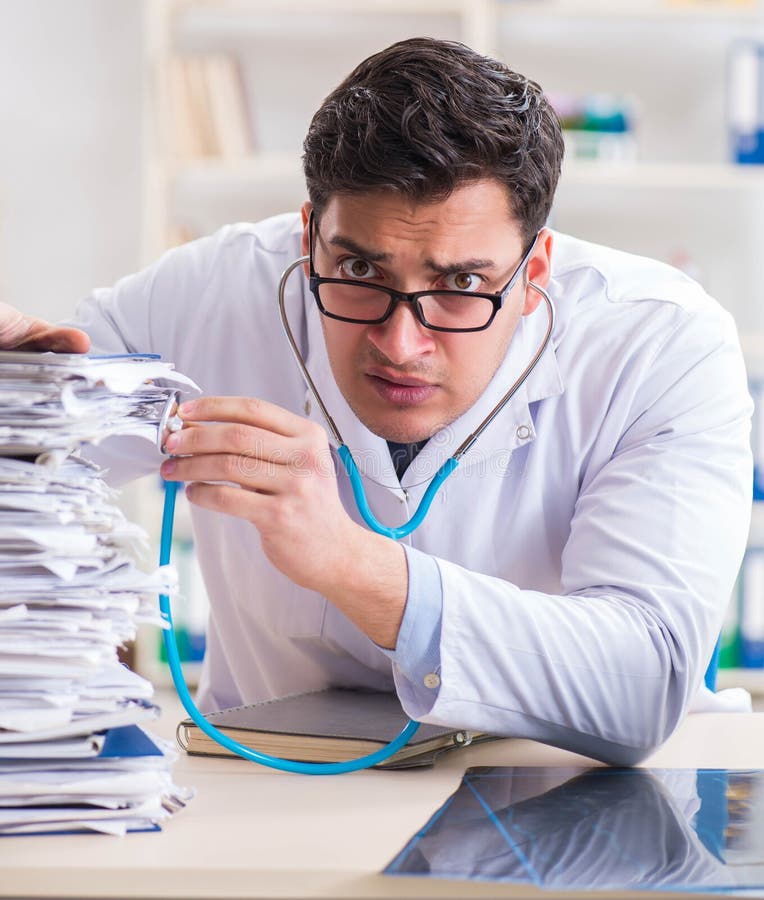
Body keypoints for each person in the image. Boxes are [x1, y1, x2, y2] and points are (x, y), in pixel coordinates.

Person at [9, 38, 753, 765]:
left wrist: (352, 564)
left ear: (535, 273)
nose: (401, 343)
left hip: (586, 787)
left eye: (461, 285)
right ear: (310, 239)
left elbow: (643, 683)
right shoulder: (201, 294)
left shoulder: (662, 341)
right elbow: (35, 472)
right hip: (274, 783)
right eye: (359, 268)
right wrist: (20, 403)